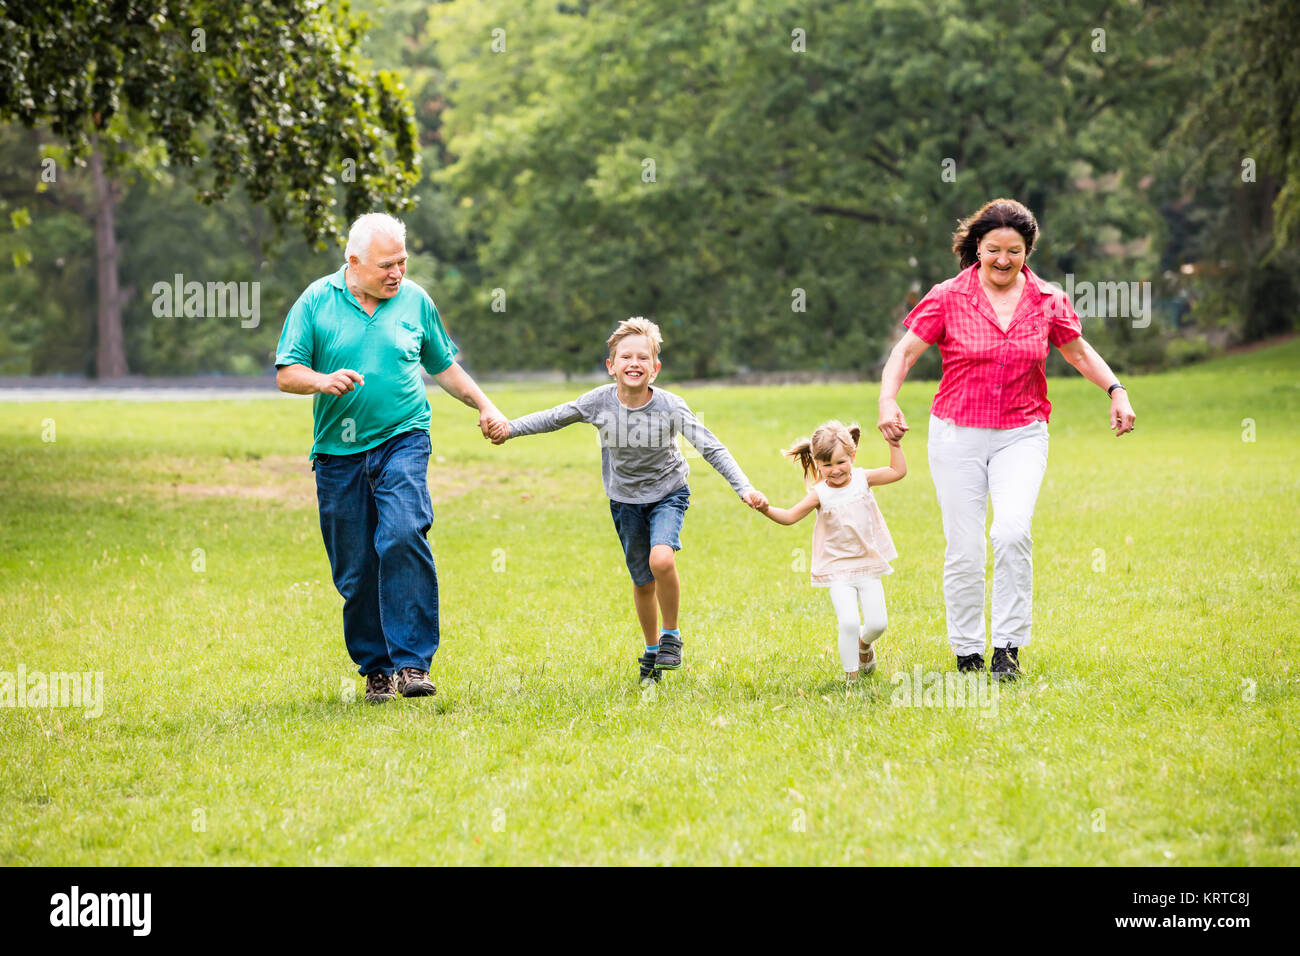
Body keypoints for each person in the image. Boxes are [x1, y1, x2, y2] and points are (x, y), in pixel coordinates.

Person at [877, 198, 1136, 679]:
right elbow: (905, 352)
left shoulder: (1047, 300)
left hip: (1022, 433)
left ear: (1027, 251)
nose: (1002, 259)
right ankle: (968, 651)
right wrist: (887, 401)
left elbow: (1078, 353)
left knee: (1012, 532)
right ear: (977, 248)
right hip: (956, 435)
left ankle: (1007, 650)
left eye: (1013, 251)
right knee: (965, 546)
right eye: (993, 249)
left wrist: (1116, 391)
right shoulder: (948, 296)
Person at [275, 213, 506, 703]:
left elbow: (443, 366)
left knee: (402, 533)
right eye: (386, 265)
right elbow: (286, 373)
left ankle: (411, 664)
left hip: (403, 437)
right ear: (353, 263)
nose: (396, 272)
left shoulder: (415, 301)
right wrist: (321, 380)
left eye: (402, 261)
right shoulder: (316, 300)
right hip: (338, 452)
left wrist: (485, 405)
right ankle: (376, 667)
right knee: (356, 569)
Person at [488, 317, 768, 684]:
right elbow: (555, 417)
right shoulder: (598, 402)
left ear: (656, 367)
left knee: (661, 559)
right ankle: (652, 653)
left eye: (643, 357)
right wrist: (510, 428)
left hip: (668, 493)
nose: (634, 363)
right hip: (624, 502)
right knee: (642, 582)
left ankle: (671, 636)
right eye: (625, 357)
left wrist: (743, 487)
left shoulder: (671, 405)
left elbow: (710, 446)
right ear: (611, 366)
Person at [755, 421, 906, 683]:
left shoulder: (862, 479)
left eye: (840, 463)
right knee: (848, 621)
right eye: (826, 465)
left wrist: (894, 444)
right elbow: (790, 516)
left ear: (852, 456)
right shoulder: (820, 494)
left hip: (867, 564)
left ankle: (864, 644)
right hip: (837, 569)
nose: (835, 471)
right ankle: (852, 679)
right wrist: (764, 508)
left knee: (878, 624)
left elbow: (897, 471)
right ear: (816, 463)